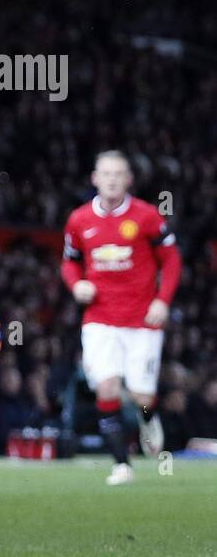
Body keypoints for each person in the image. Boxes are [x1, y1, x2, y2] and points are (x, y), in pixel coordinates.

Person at [61, 150, 182, 484]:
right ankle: (121, 464)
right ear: (95, 178)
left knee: (142, 398)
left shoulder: (147, 217)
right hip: (100, 319)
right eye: (106, 174)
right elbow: (69, 261)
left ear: (128, 179)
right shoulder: (79, 220)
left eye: (118, 174)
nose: (112, 180)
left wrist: (163, 300)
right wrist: (77, 284)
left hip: (143, 321)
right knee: (107, 387)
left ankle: (147, 417)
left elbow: (171, 261)